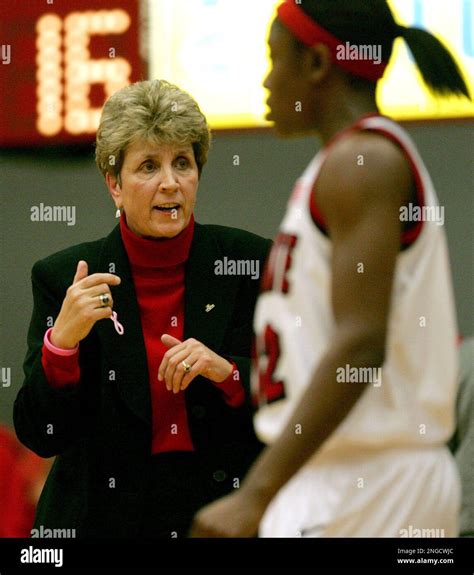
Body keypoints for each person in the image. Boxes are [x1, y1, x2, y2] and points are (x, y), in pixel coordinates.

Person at [191, 0, 471, 537]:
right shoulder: (344, 163)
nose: (268, 81)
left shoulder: (361, 164)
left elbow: (362, 342)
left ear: (317, 64)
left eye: (275, 59)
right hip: (343, 475)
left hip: (369, 480)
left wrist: (255, 495)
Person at [14, 79, 271, 538]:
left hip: (220, 513)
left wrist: (228, 374)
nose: (170, 183)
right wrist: (62, 345)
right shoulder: (63, 277)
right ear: (114, 184)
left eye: (183, 164)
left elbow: (297, 392)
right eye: (149, 166)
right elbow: (42, 434)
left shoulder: (248, 262)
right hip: (103, 521)